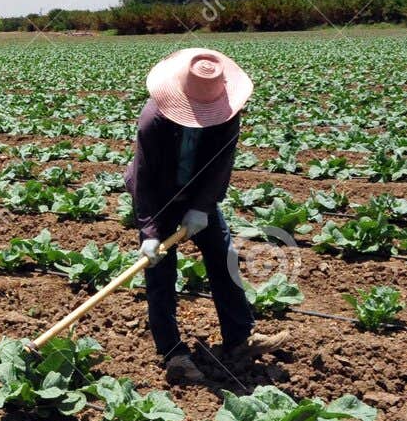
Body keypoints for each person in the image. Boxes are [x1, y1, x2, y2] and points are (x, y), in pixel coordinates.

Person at [123, 47, 287, 384]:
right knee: (160, 273)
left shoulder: (228, 116)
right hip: (160, 198)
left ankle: (240, 339)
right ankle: (174, 353)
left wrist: (201, 207)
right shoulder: (154, 120)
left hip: (198, 196)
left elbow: (219, 168)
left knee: (223, 256)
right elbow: (144, 179)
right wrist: (151, 232)